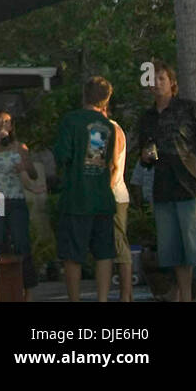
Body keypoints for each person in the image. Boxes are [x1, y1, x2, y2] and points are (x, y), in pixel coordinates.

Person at [139, 60, 196, 303]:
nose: (156, 83)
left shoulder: (188, 109)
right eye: (152, 79)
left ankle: (190, 294)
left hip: (189, 185)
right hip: (163, 187)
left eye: (161, 78)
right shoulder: (147, 117)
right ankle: (182, 293)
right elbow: (144, 155)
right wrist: (144, 157)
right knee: (172, 250)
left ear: (172, 82)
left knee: (193, 245)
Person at [53, 77, 118, 302]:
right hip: (102, 197)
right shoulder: (109, 126)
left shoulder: (71, 121)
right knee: (104, 253)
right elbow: (108, 161)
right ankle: (102, 298)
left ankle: (75, 299)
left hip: (76, 198)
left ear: (84, 94)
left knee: (73, 256)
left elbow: (63, 155)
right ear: (106, 99)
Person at [0, 111, 39, 298]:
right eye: (0, 121)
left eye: (7, 122)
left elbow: (33, 174)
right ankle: (1, 290)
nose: (4, 125)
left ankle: (28, 290)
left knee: (21, 242)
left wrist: (24, 166)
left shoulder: (19, 147)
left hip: (16, 198)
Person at [107, 114, 133, 301]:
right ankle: (125, 294)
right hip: (109, 195)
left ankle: (125, 295)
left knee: (119, 244)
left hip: (114, 195)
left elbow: (114, 167)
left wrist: (105, 193)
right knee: (111, 245)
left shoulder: (111, 129)